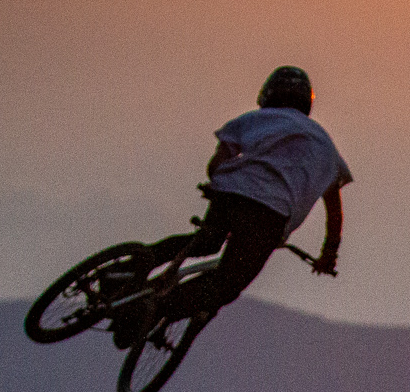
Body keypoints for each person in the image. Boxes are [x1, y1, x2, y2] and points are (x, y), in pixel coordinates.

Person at [115, 64, 351, 345]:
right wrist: (329, 254)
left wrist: (216, 184)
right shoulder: (325, 145)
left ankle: (124, 271)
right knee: (226, 283)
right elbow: (334, 212)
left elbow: (217, 162)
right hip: (269, 214)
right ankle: (155, 310)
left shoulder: (254, 120)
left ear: (268, 94)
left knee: (205, 242)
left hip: (231, 192)